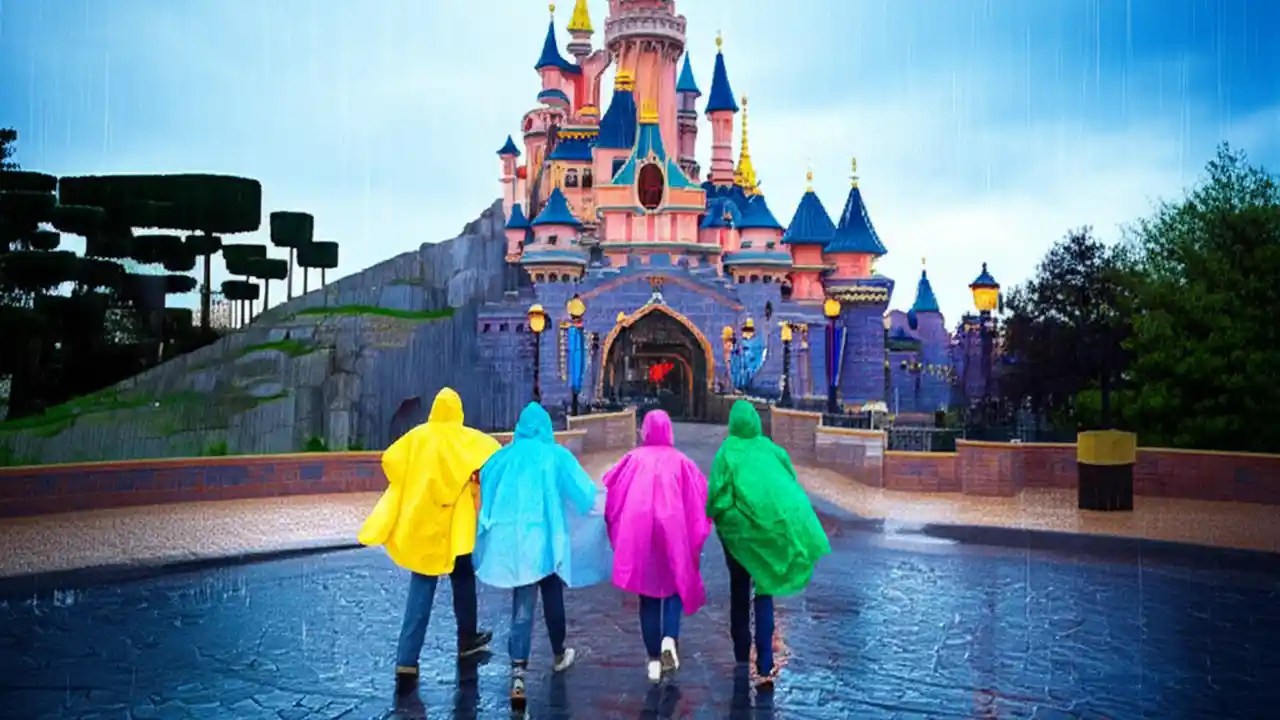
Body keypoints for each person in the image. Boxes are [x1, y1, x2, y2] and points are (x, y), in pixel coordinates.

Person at [357, 387, 502, 694]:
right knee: (463, 579)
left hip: (426, 525)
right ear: (458, 412)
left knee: (421, 587)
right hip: (457, 529)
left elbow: (391, 461)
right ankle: (466, 639)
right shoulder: (470, 441)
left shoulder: (417, 438)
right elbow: (493, 455)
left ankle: (407, 659)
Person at [472, 402, 612, 709]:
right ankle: (559, 651)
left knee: (522, 605)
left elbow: (486, 485)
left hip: (516, 546)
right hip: (548, 541)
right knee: (552, 595)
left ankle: (518, 671)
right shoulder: (556, 457)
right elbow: (583, 494)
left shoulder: (502, 459)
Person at [707, 400, 831, 691]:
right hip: (769, 535)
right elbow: (787, 485)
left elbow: (716, 496)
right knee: (764, 591)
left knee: (739, 590)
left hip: (737, 537)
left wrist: (721, 517)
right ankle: (764, 664)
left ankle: (741, 655)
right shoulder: (773, 451)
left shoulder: (726, 452)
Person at [603, 409, 711, 683]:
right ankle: (668, 640)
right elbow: (700, 499)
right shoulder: (683, 463)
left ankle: (653, 659)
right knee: (674, 587)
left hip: (639, 535)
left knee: (648, 596)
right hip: (673, 532)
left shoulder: (633, 460)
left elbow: (612, 491)